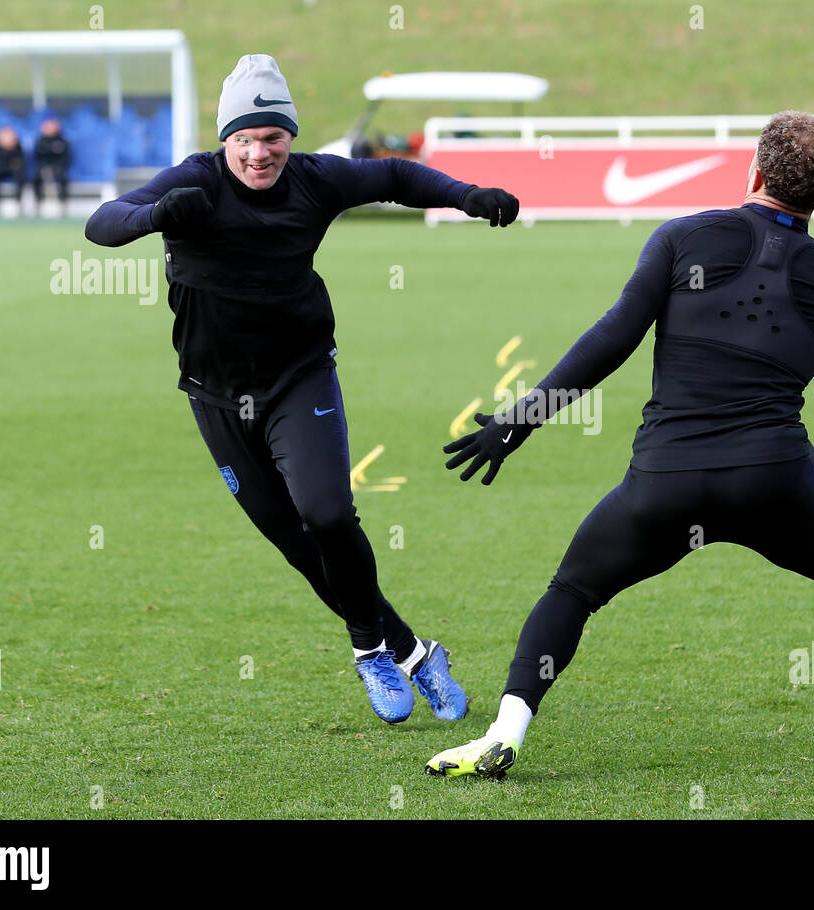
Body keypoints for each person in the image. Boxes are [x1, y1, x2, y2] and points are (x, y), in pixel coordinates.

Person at [426, 111, 814, 783]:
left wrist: (517, 423)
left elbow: (612, 340)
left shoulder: (683, 238)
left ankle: (505, 734)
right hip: (776, 481)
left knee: (573, 591)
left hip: (664, 480)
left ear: (754, 170)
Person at [85, 55, 520, 725]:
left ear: (290, 135)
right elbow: (104, 221)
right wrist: (158, 214)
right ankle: (412, 651)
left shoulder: (315, 180)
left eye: (273, 137)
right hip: (215, 394)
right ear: (225, 138)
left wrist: (466, 195)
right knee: (294, 541)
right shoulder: (195, 180)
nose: (259, 153)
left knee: (327, 515)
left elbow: (396, 174)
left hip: (298, 375)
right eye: (245, 139)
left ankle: (370, 650)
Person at [33, 117, 70, 215]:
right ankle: (38, 204)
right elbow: (37, 157)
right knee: (36, 179)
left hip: (58, 168)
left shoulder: (62, 141)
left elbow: (66, 158)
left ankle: (63, 204)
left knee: (63, 179)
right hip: (44, 168)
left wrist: (58, 167)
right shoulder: (41, 141)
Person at [0, 125, 25, 216]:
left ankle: (19, 202)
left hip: (13, 171)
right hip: (1, 170)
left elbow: (20, 161)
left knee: (20, 177)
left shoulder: (17, 147)